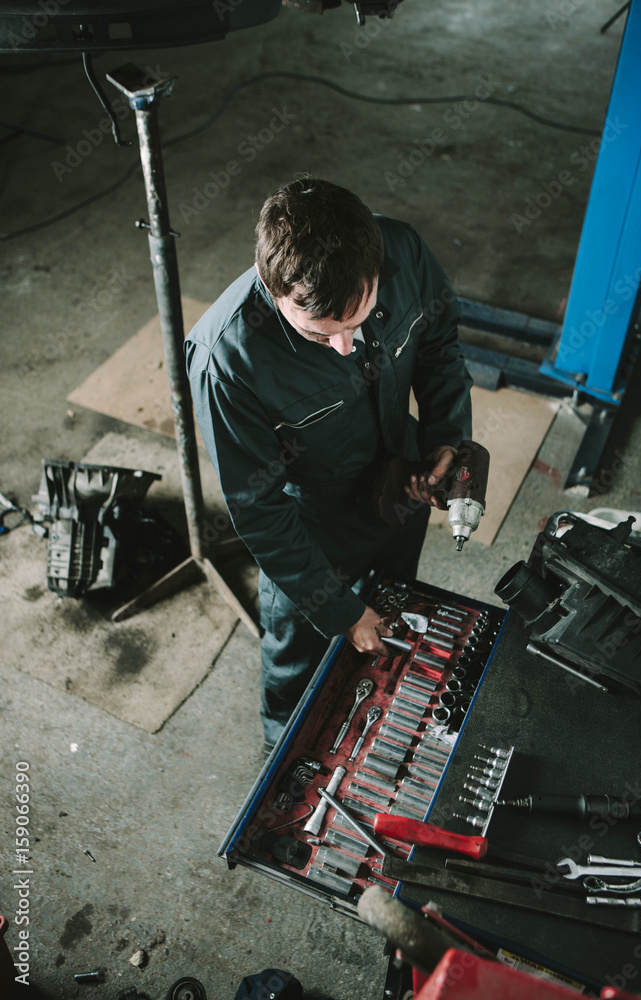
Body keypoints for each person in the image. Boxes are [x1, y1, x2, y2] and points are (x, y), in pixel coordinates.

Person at [185, 177, 473, 749]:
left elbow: (440, 347)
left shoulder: (403, 251)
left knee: (392, 609)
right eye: (320, 333)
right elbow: (259, 509)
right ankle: (281, 759)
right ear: (274, 289)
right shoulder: (228, 360)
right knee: (298, 659)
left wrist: (445, 438)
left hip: (402, 487)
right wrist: (340, 610)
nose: (346, 346)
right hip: (310, 533)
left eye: (359, 320)